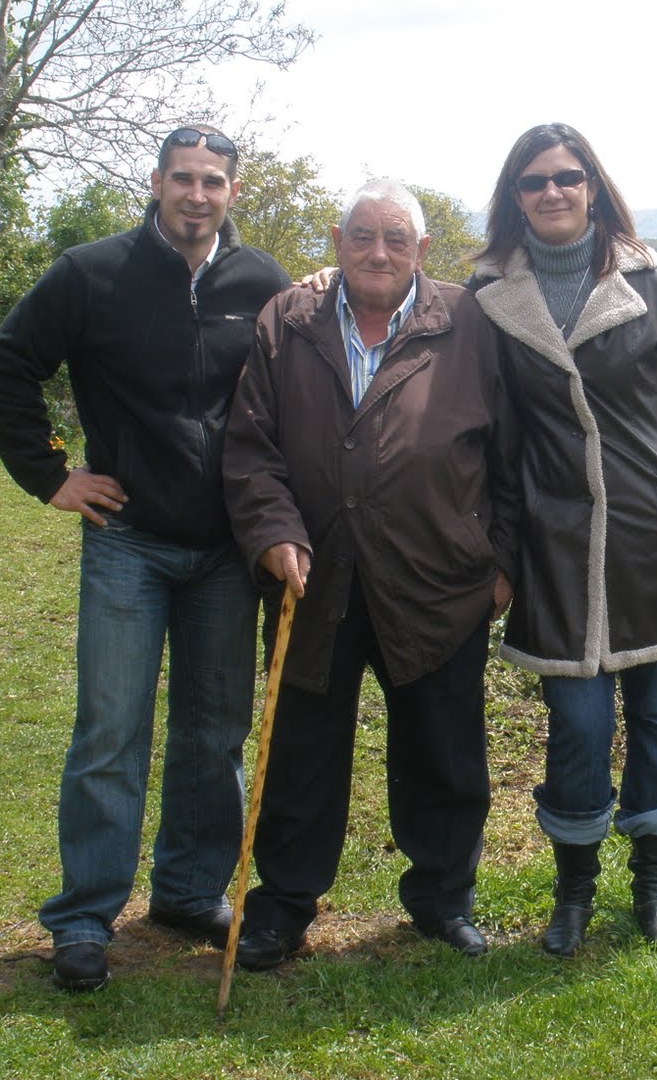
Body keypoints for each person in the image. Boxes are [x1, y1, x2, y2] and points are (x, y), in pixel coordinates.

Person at [0, 126, 292, 991]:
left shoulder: (261, 283)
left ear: (233, 191)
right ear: (156, 183)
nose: (197, 195)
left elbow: (296, 386)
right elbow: (6, 369)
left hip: (226, 551)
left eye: (214, 181)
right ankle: (83, 919)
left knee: (213, 734)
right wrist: (52, 477)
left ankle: (189, 893)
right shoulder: (91, 273)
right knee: (111, 734)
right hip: (128, 543)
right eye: (182, 179)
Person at [222, 179, 519, 970]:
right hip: (313, 578)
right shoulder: (287, 321)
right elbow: (251, 449)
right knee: (299, 752)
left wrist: (505, 564)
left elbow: (513, 456)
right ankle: (282, 907)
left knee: (444, 749)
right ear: (335, 240)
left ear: (423, 250)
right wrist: (274, 532)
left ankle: (442, 900)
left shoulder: (469, 324)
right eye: (362, 236)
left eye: (396, 238)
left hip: (438, 577)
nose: (378, 252)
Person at [467, 123, 657, 956]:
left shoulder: (654, 280)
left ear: (592, 185)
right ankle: (573, 892)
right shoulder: (484, 297)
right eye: (533, 181)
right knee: (578, 726)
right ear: (514, 197)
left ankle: (652, 890)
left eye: (567, 177)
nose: (551, 192)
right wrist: (499, 551)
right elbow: (485, 432)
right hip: (554, 545)